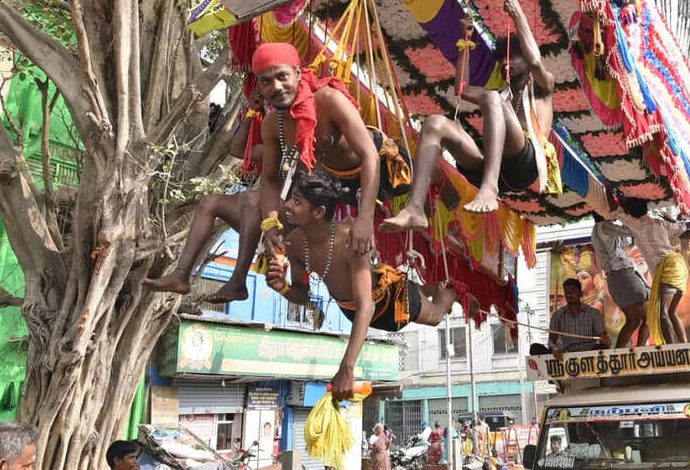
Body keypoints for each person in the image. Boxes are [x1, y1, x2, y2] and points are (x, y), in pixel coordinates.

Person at [265, 171, 459, 400]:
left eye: (296, 201)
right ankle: (427, 289)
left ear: (318, 212)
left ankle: (450, 291)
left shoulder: (350, 238)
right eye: (291, 199)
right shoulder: (295, 244)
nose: (287, 205)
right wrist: (282, 288)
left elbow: (366, 306)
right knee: (403, 292)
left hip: (391, 303)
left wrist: (347, 368)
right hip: (353, 311)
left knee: (436, 316)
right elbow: (302, 294)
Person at [380, 0, 558, 232]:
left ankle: (490, 189)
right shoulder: (499, 95)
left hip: (523, 165)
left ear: (525, 58)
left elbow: (536, 63)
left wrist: (517, 15)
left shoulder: (543, 88)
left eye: (512, 58)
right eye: (503, 61)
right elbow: (461, 90)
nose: (506, 64)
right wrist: (465, 41)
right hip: (489, 164)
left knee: (493, 98)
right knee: (434, 123)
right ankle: (415, 208)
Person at [256, 42, 412, 260]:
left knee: (421, 182)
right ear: (260, 87)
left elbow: (369, 155)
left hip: (387, 166)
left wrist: (365, 219)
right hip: (343, 184)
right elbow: (270, 179)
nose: (276, 87)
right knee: (283, 217)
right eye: (266, 81)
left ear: (298, 73)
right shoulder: (272, 124)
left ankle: (436, 174)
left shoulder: (329, 100)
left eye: (282, 76)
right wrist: (270, 224)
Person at [144, 91, 268, 302]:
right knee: (210, 201)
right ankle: (181, 275)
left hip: (280, 214)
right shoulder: (275, 142)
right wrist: (251, 113)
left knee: (250, 199)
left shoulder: (299, 142)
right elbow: (238, 149)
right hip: (254, 209)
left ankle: (238, 281)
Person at [610, 198, 689, 345]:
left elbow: (616, 212)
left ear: (631, 213)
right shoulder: (661, 223)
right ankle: (684, 346)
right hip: (678, 264)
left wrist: (610, 190)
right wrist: (671, 219)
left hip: (667, 267)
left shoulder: (637, 225)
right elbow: (682, 228)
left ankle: (672, 349)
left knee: (662, 312)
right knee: (671, 312)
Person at [591, 216, 650, 348]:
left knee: (634, 320)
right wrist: (627, 217)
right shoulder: (604, 226)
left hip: (618, 276)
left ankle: (621, 353)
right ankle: (638, 352)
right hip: (622, 274)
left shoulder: (600, 229)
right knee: (647, 318)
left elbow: (625, 241)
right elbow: (629, 231)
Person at [529, 278, 611, 360]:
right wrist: (556, 349)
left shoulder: (593, 313)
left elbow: (602, 336)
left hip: (589, 354)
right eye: (566, 292)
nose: (569, 294)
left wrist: (605, 339)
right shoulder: (557, 315)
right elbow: (551, 340)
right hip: (566, 355)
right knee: (535, 348)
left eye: (573, 291)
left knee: (603, 347)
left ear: (580, 293)